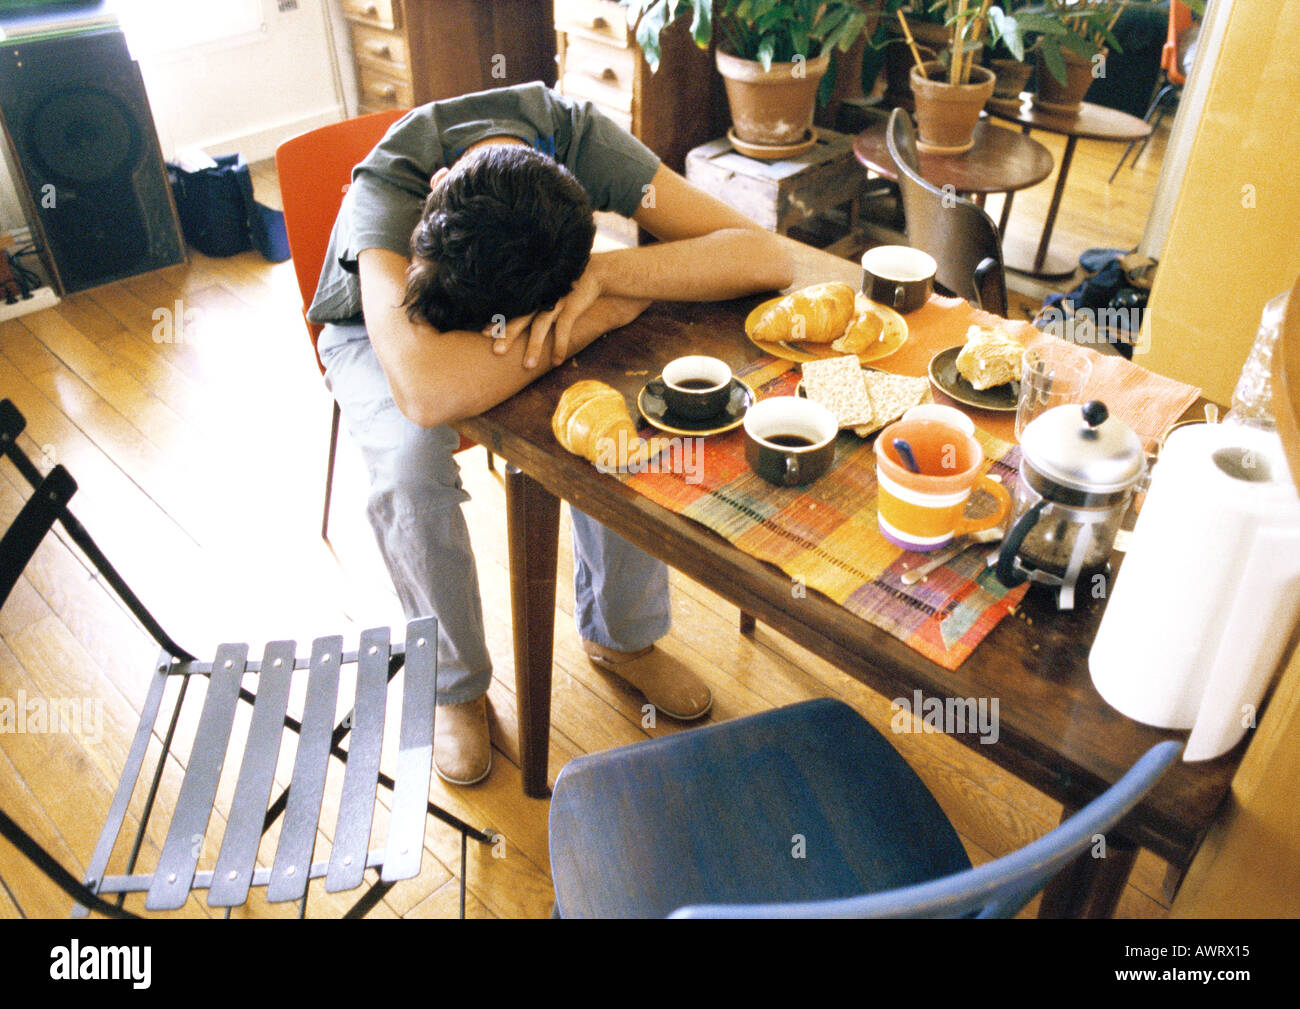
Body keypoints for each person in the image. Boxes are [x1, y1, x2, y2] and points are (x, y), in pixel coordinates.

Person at [307, 83, 793, 785]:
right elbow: (422, 388)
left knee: (622, 412)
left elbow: (765, 255)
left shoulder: (579, 139)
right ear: (437, 188)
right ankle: (455, 684)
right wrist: (599, 317)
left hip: (541, 304)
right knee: (408, 467)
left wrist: (609, 274)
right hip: (385, 334)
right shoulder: (386, 186)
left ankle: (621, 639)